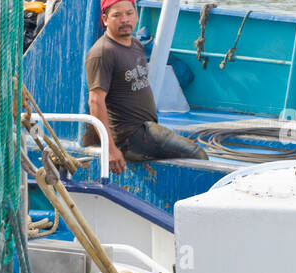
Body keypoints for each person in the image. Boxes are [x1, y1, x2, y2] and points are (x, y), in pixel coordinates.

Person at [85, 0, 206, 175]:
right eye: (117, 15)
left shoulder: (135, 45)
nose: (124, 19)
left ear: (136, 15)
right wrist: (110, 149)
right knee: (198, 155)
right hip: (129, 137)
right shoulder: (103, 53)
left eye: (129, 13)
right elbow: (95, 102)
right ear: (105, 19)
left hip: (146, 128)